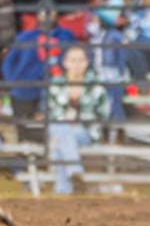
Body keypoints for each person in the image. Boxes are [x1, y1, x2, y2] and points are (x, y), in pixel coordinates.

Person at [44, 43, 110, 195]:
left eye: (80, 60)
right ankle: (73, 175)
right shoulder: (56, 84)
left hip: (85, 132)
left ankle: (63, 188)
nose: (77, 64)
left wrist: (82, 120)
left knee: (60, 139)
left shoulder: (96, 86)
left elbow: (103, 114)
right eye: (73, 60)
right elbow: (51, 112)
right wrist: (65, 120)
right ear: (65, 63)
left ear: (86, 63)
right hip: (60, 129)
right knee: (62, 132)